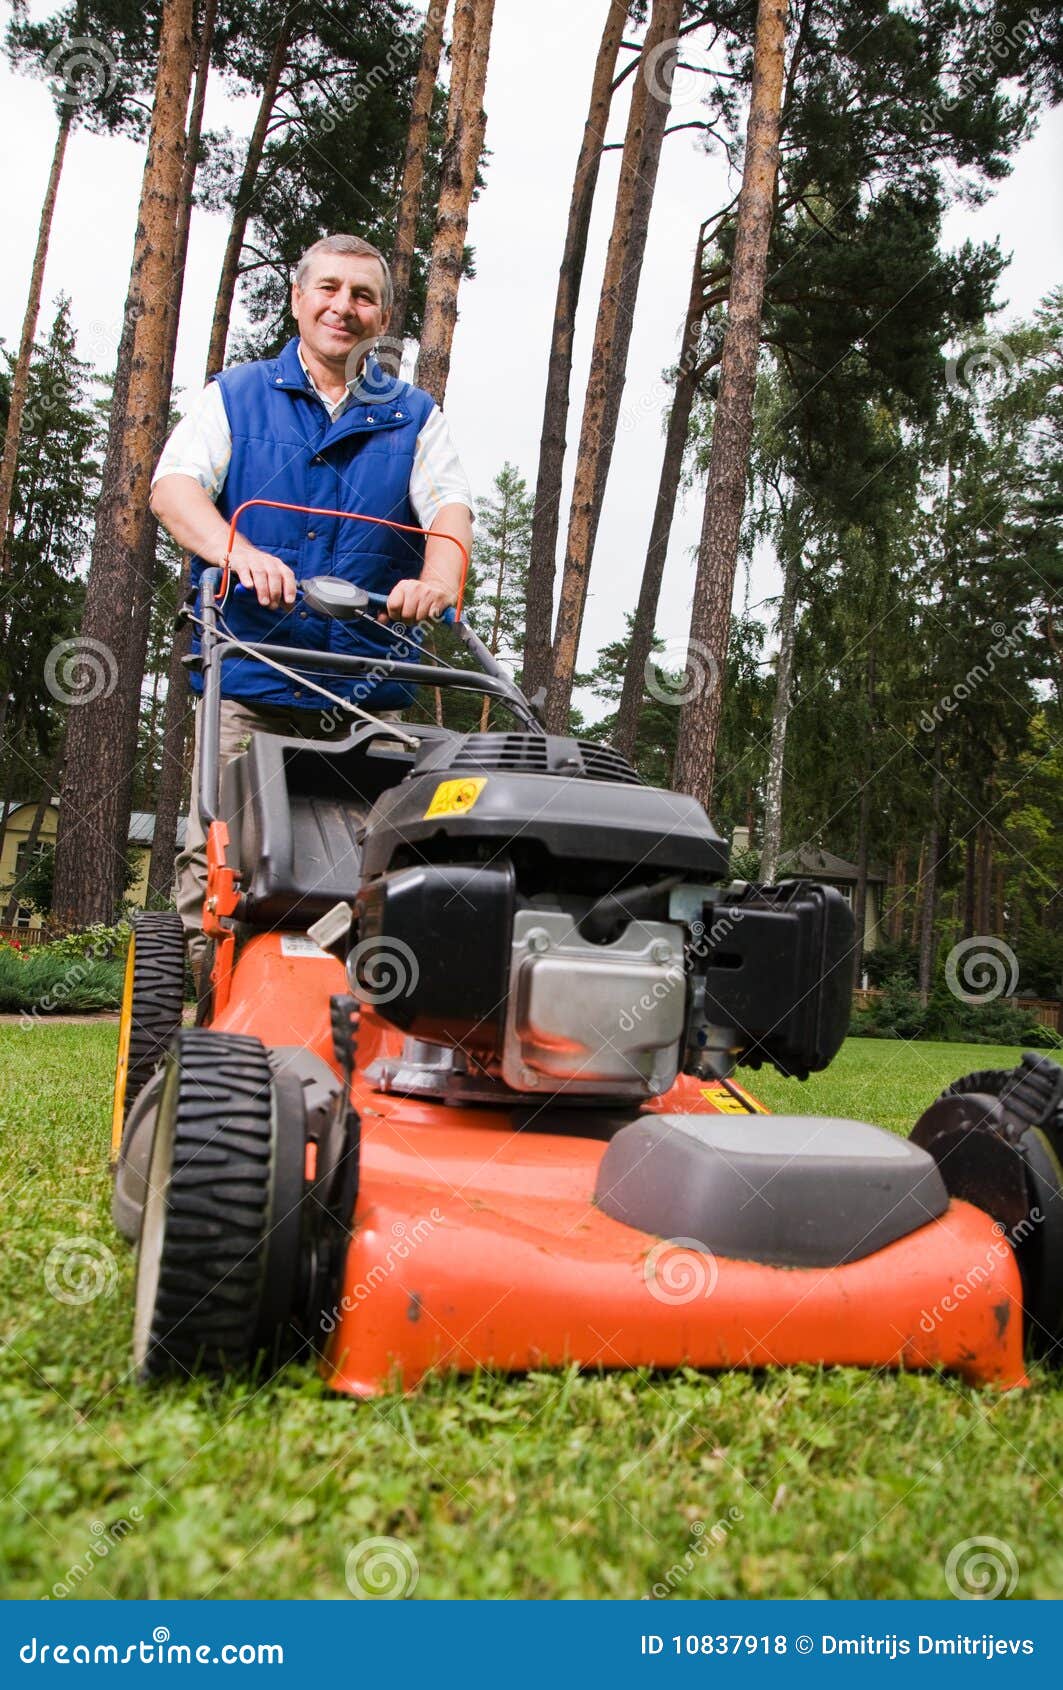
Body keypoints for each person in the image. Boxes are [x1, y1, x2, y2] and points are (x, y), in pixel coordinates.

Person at [150, 232, 474, 968]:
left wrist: (436, 580)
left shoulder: (414, 416)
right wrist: (240, 552)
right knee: (222, 869)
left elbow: (450, 510)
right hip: (255, 679)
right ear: (298, 300)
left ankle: (358, 1045)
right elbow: (174, 490)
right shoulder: (236, 396)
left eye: (362, 296)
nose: (343, 307)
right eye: (328, 289)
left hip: (367, 695)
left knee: (386, 876)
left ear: (383, 316)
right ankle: (205, 1054)